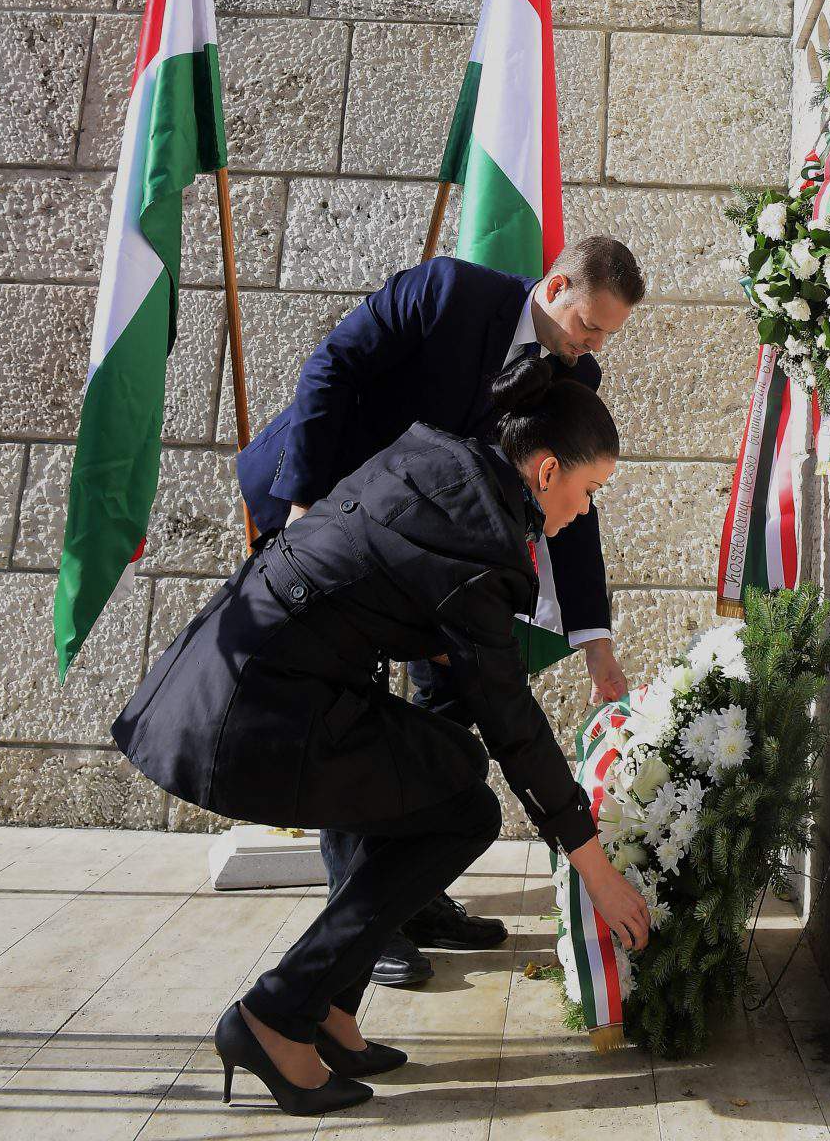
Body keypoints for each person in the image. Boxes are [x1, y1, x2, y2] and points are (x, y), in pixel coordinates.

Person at [112, 357, 651, 1116]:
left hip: (218, 686)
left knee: (432, 780)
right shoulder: (482, 542)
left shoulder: (437, 456)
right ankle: (276, 1012)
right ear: (548, 470)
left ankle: (330, 1006)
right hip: (248, 720)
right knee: (464, 806)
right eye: (587, 491)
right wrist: (591, 863)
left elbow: (374, 582)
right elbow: (511, 723)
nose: (584, 511)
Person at [236, 235, 645, 982]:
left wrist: (596, 643)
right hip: (325, 514)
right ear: (554, 285)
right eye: (590, 324)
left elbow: (572, 498)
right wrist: (304, 509)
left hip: (425, 549)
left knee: (450, 701)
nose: (593, 345)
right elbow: (332, 368)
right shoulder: (448, 292)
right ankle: (356, 919)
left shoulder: (572, 371)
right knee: (346, 712)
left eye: (608, 335)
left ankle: (411, 891)